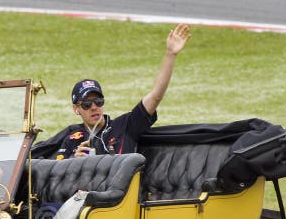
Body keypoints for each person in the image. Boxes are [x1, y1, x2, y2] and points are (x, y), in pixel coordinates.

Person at [39, 24, 191, 159]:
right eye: (86, 104)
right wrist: (73, 163)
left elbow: (156, 96)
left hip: (121, 190)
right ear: (76, 109)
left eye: (98, 101)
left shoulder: (125, 126)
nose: (94, 107)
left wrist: (170, 54)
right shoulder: (72, 139)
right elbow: (56, 178)